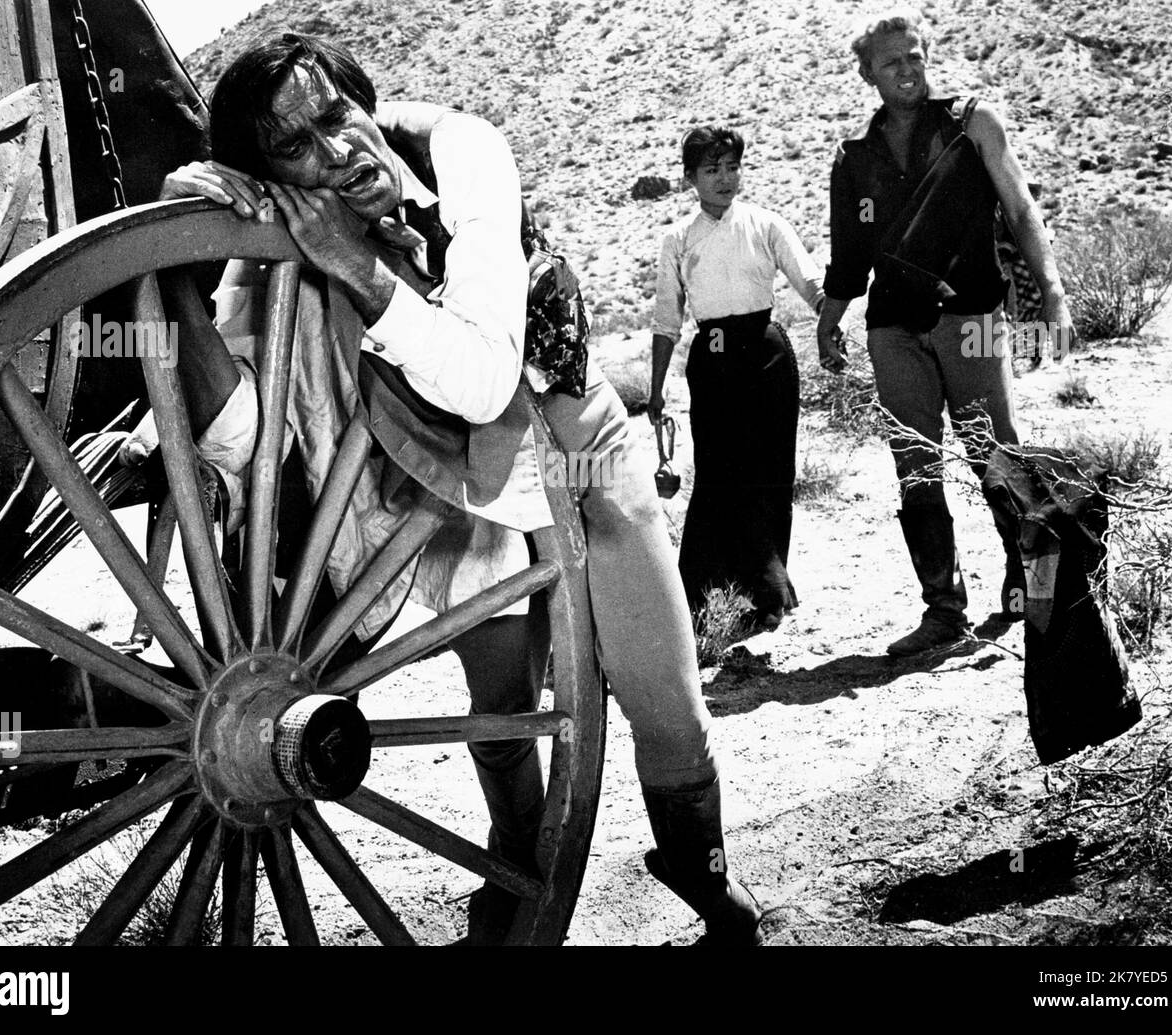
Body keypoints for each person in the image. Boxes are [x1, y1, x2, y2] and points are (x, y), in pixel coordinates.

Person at [155, 33, 762, 945]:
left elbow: (484, 377)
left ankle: (701, 868)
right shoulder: (284, 234)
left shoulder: (463, 151)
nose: (335, 151)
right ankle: (521, 855)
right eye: (294, 150)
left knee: (660, 685)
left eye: (336, 115)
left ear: (369, 99)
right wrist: (178, 240)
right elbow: (243, 433)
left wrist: (355, 266)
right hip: (432, 466)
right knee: (501, 706)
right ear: (268, 176)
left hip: (567, 443)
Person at [815, 8, 1076, 656]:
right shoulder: (853, 160)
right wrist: (828, 320)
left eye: (914, 56)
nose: (906, 69)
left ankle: (1032, 589)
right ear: (867, 73)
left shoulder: (972, 125)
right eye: (891, 61)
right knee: (915, 468)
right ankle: (943, 609)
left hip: (975, 319)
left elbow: (1019, 207)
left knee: (1001, 454)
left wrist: (1053, 291)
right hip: (893, 329)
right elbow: (848, 259)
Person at [649, 127, 828, 631]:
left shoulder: (766, 223)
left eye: (732, 167)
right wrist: (657, 387)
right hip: (713, 358)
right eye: (712, 169)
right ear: (691, 179)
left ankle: (767, 598)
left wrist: (829, 318)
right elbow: (666, 320)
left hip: (767, 355)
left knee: (770, 472)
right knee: (718, 474)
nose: (725, 178)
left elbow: (809, 282)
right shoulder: (678, 239)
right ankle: (703, 601)